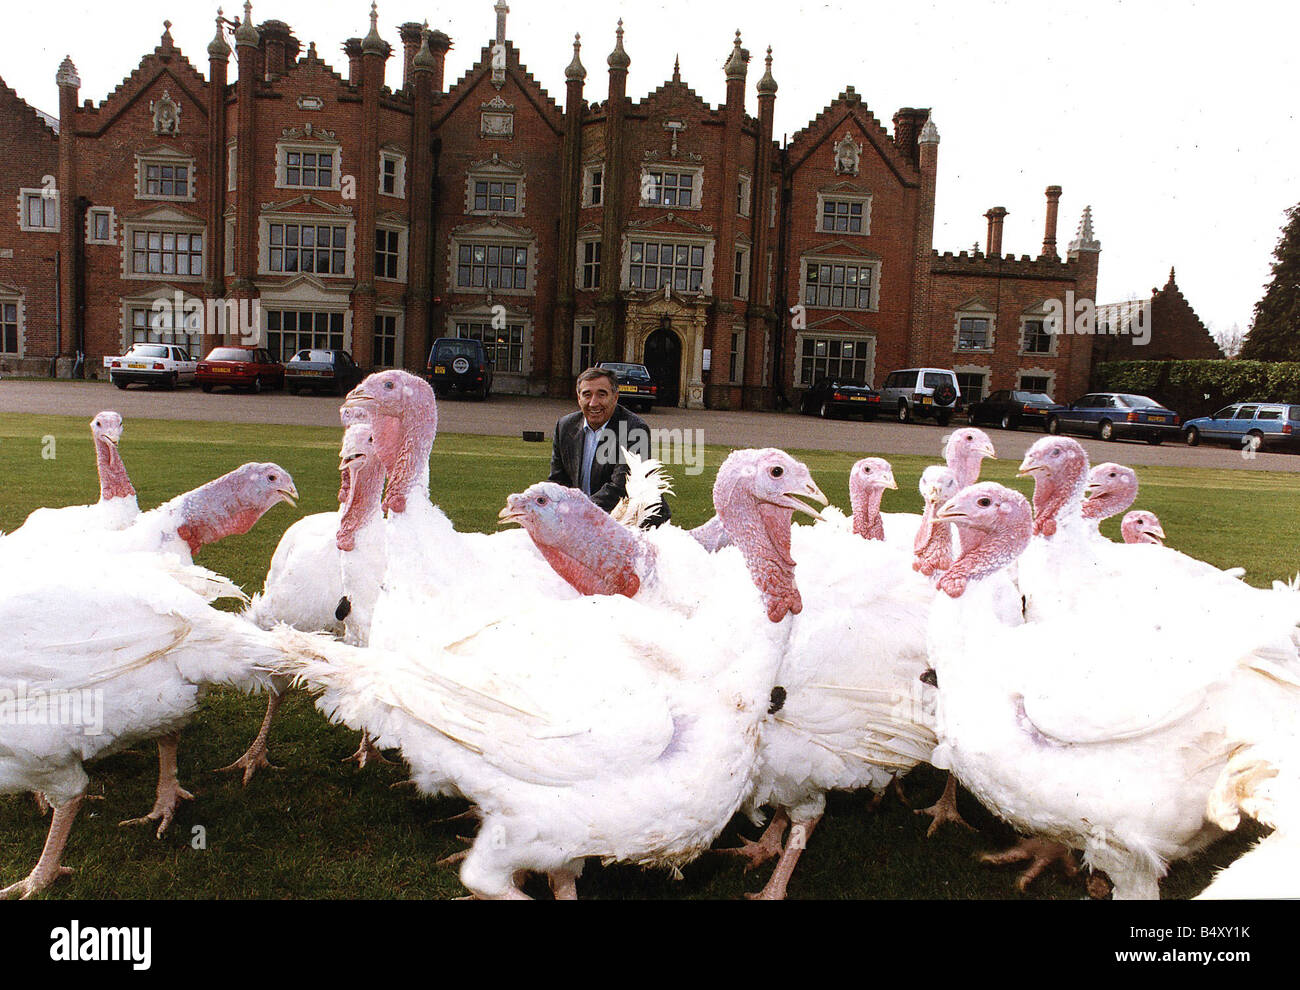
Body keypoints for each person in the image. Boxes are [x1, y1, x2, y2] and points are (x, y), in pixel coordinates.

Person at [549, 367, 670, 527]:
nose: (593, 403)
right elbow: (558, 481)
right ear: (579, 398)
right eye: (587, 394)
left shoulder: (634, 429)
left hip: (633, 522)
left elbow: (621, 488)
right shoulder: (565, 426)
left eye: (602, 394)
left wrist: (576, 513)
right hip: (584, 520)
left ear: (615, 397)